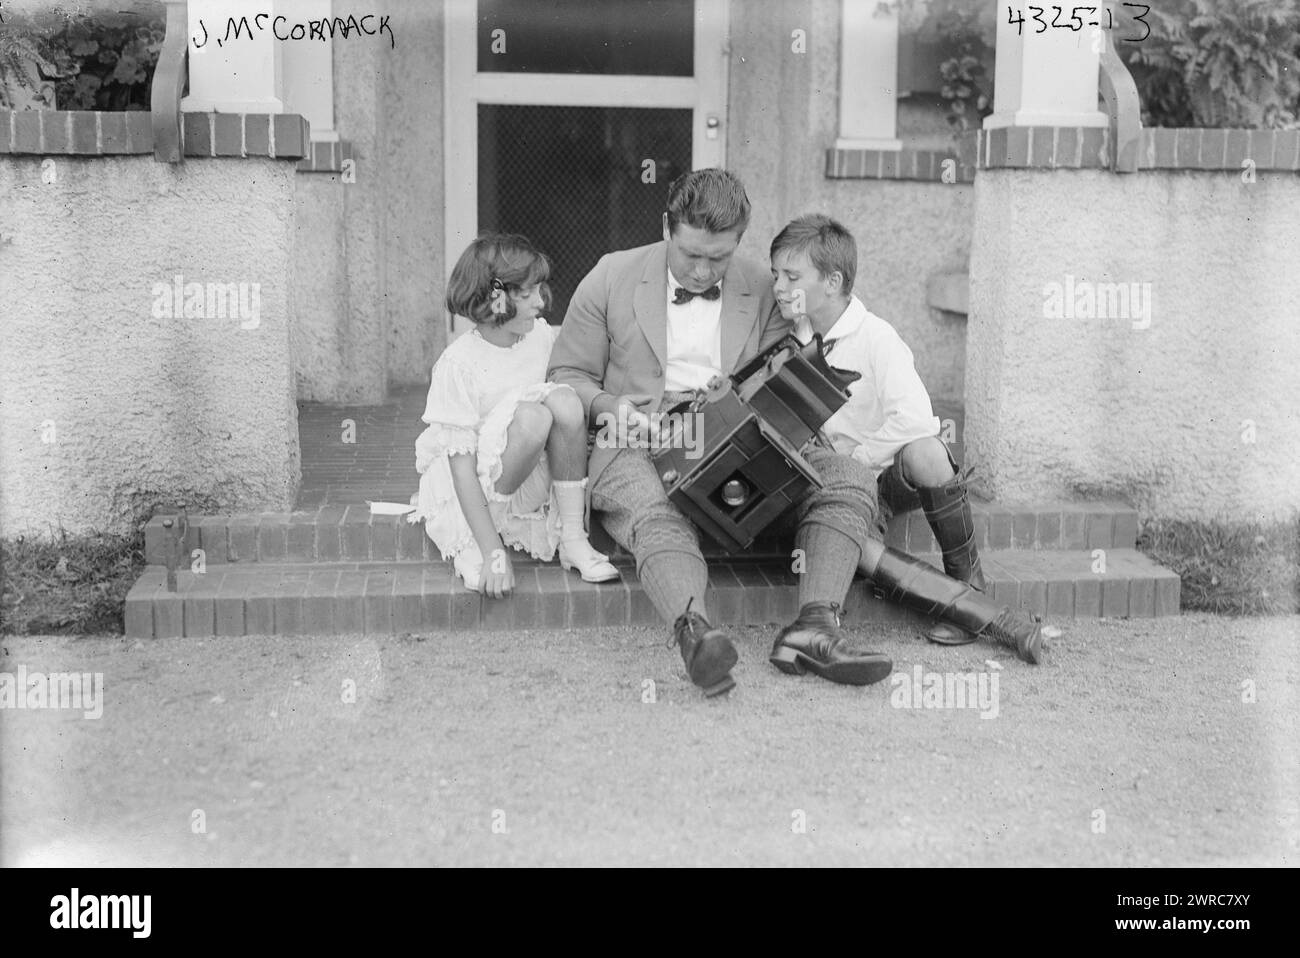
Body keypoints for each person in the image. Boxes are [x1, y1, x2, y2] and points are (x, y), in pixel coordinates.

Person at [547, 169, 895, 697]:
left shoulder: (761, 286)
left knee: (846, 478)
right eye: (692, 255)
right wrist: (612, 405)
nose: (705, 272)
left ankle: (815, 629)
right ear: (667, 227)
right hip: (637, 438)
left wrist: (737, 400)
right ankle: (695, 636)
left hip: (740, 434)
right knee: (654, 513)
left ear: (739, 242)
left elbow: (781, 374)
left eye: (720, 258)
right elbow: (565, 376)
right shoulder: (611, 276)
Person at [769, 213, 1044, 662]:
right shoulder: (791, 336)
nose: (779, 286)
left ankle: (969, 580)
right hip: (835, 492)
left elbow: (917, 419)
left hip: (882, 475)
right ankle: (991, 619)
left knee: (929, 450)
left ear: (833, 281)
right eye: (775, 274)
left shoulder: (877, 338)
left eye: (792, 276)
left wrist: (859, 458)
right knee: (854, 546)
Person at [412, 233, 619, 597]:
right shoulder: (459, 365)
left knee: (565, 401)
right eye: (528, 294)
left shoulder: (539, 336)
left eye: (540, 289)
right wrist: (494, 552)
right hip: (476, 488)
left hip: (528, 472)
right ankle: (479, 541)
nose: (541, 302)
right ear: (495, 300)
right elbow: (461, 469)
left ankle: (572, 535)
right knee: (533, 416)